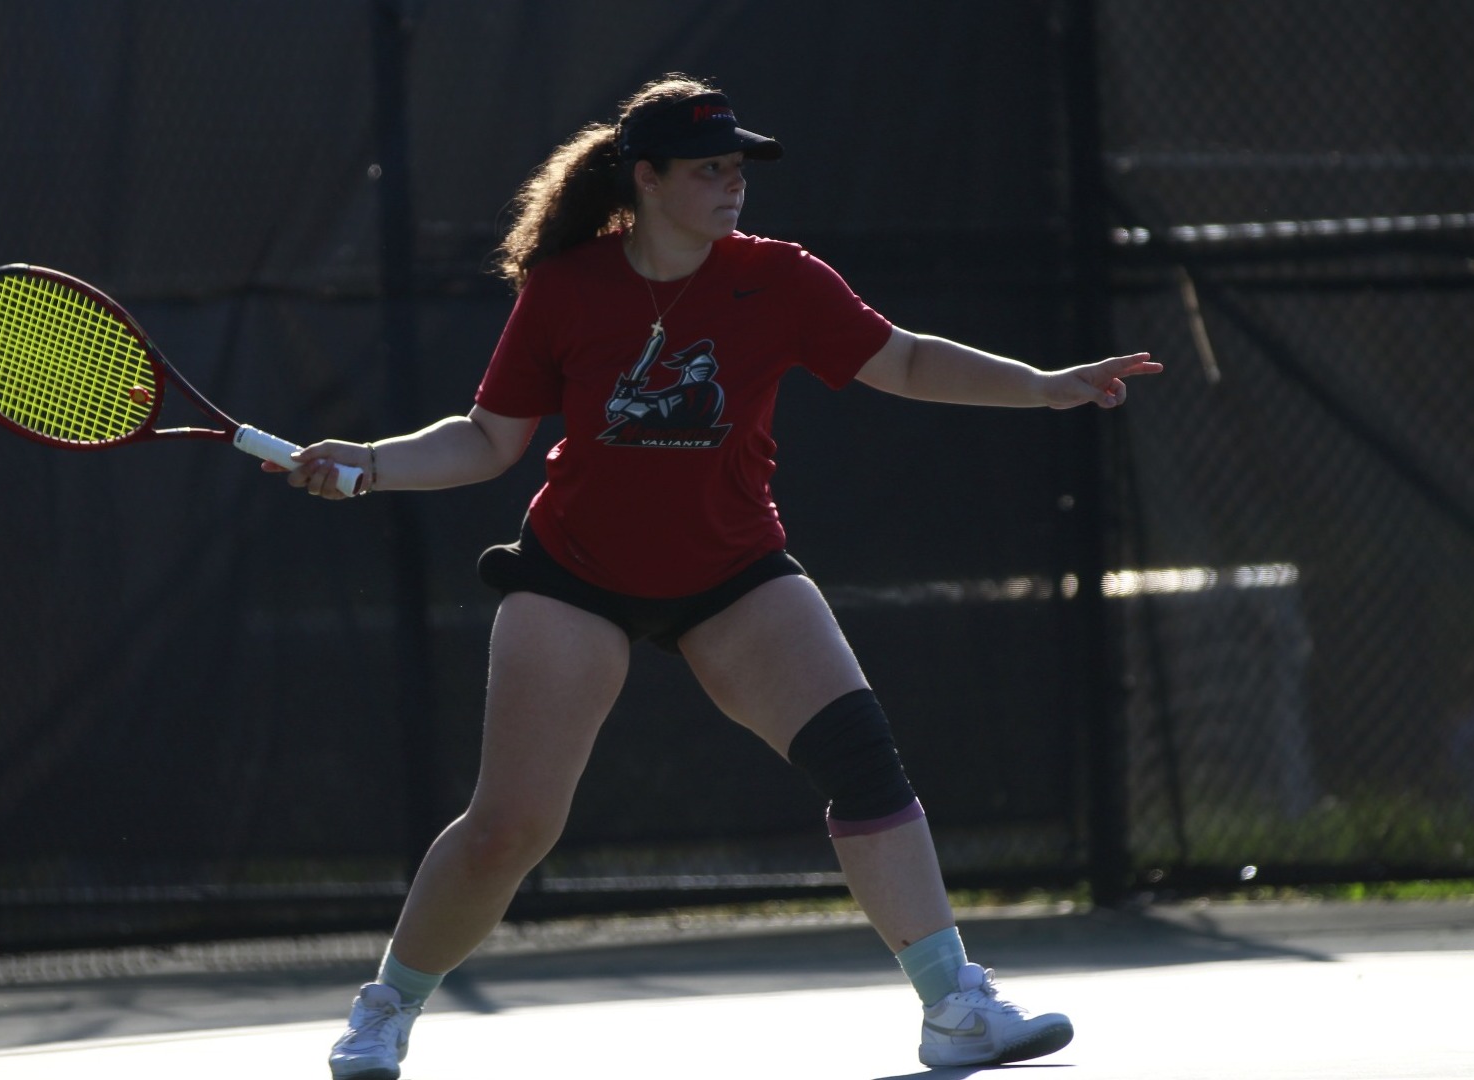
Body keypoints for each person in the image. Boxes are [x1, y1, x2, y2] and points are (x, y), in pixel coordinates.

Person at [273, 74, 1160, 1079]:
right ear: (645, 179)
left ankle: (955, 1005)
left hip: (734, 573)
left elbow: (903, 361)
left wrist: (1044, 388)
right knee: (510, 827)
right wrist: (373, 463)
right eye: (709, 170)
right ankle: (387, 1007)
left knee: (864, 767)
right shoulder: (568, 286)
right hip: (575, 578)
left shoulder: (780, 279)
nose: (733, 185)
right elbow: (487, 439)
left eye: (738, 167)